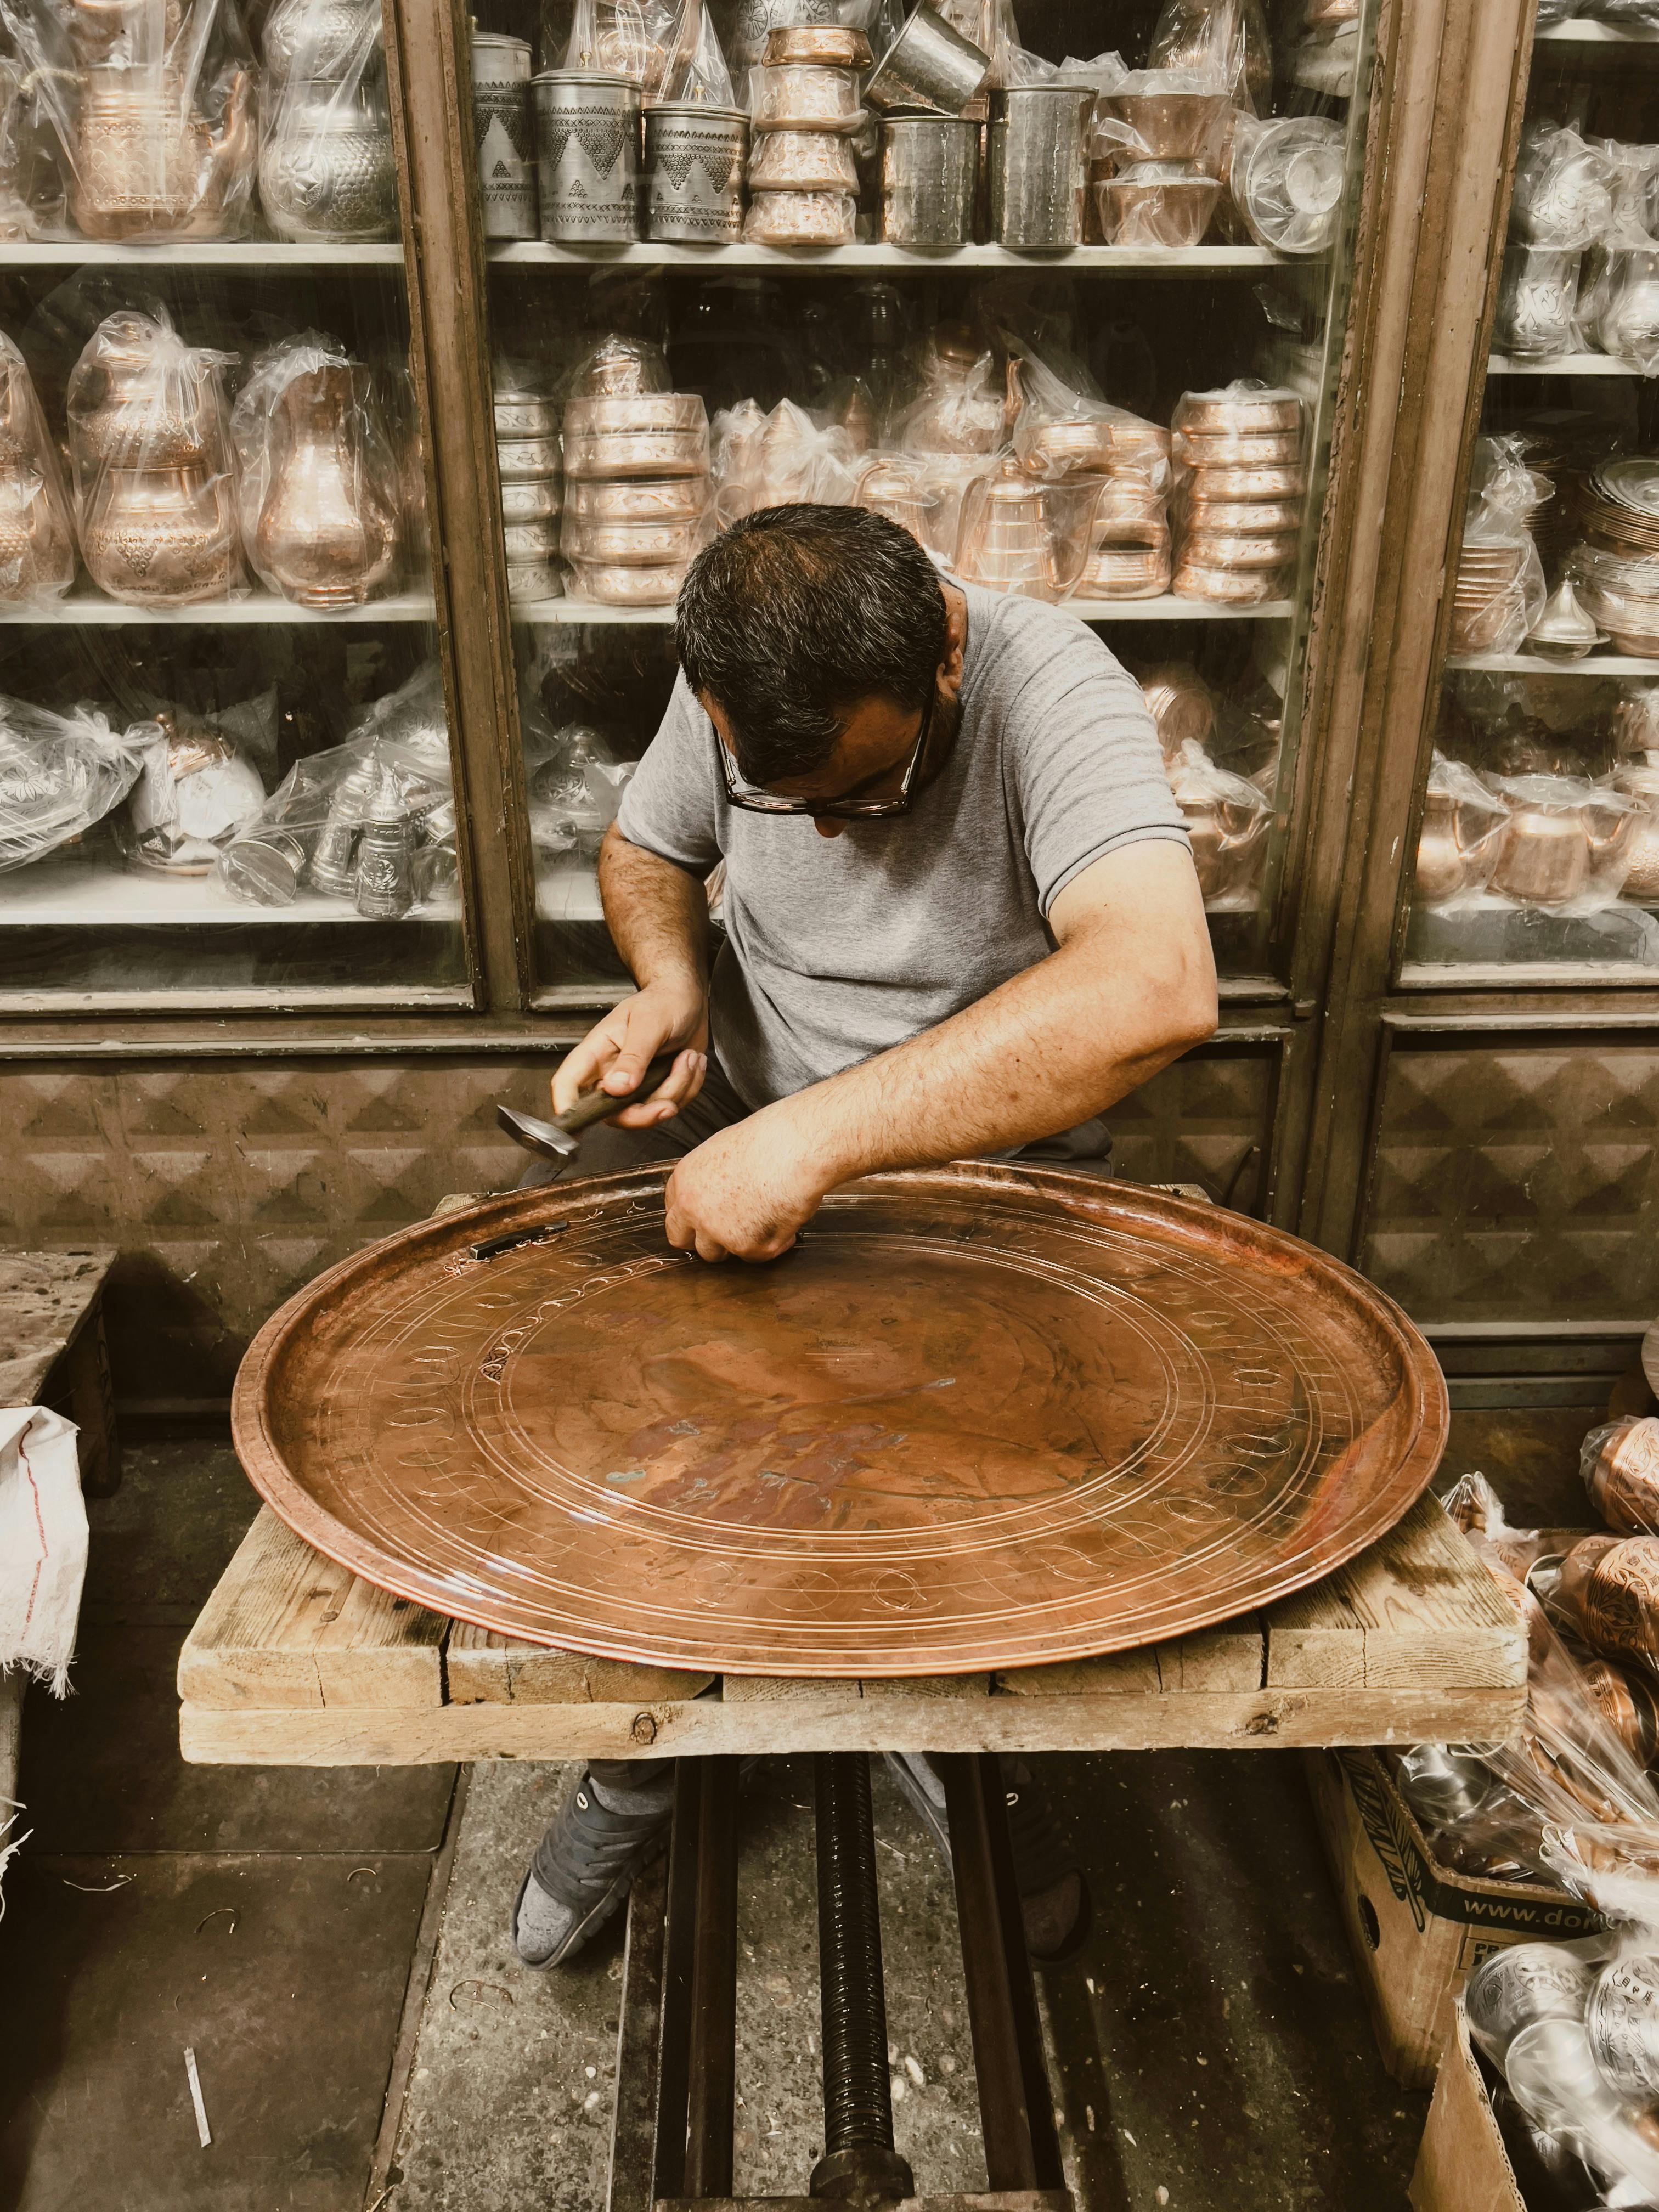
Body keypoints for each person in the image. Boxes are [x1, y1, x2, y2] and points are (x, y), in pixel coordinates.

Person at [510, 504, 1217, 1972]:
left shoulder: (1049, 688)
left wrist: (815, 1135)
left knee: (959, 1522)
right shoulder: (738, 681)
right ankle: (647, 1751)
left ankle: (955, 1741)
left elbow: (1156, 987)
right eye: (792, 806)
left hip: (998, 1203)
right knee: (691, 1487)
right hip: (754, 1171)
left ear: (945, 653)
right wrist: (670, 984)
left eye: (870, 786)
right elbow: (646, 851)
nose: (828, 828)